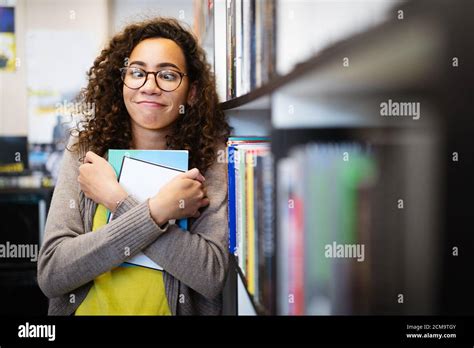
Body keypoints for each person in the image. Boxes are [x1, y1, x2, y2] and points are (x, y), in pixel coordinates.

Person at [37, 17, 232, 315]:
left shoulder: (210, 162)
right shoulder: (85, 154)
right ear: (122, 83)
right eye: (137, 72)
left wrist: (117, 200)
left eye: (167, 76)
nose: (149, 87)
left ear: (191, 93)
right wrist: (158, 211)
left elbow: (211, 276)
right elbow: (52, 273)